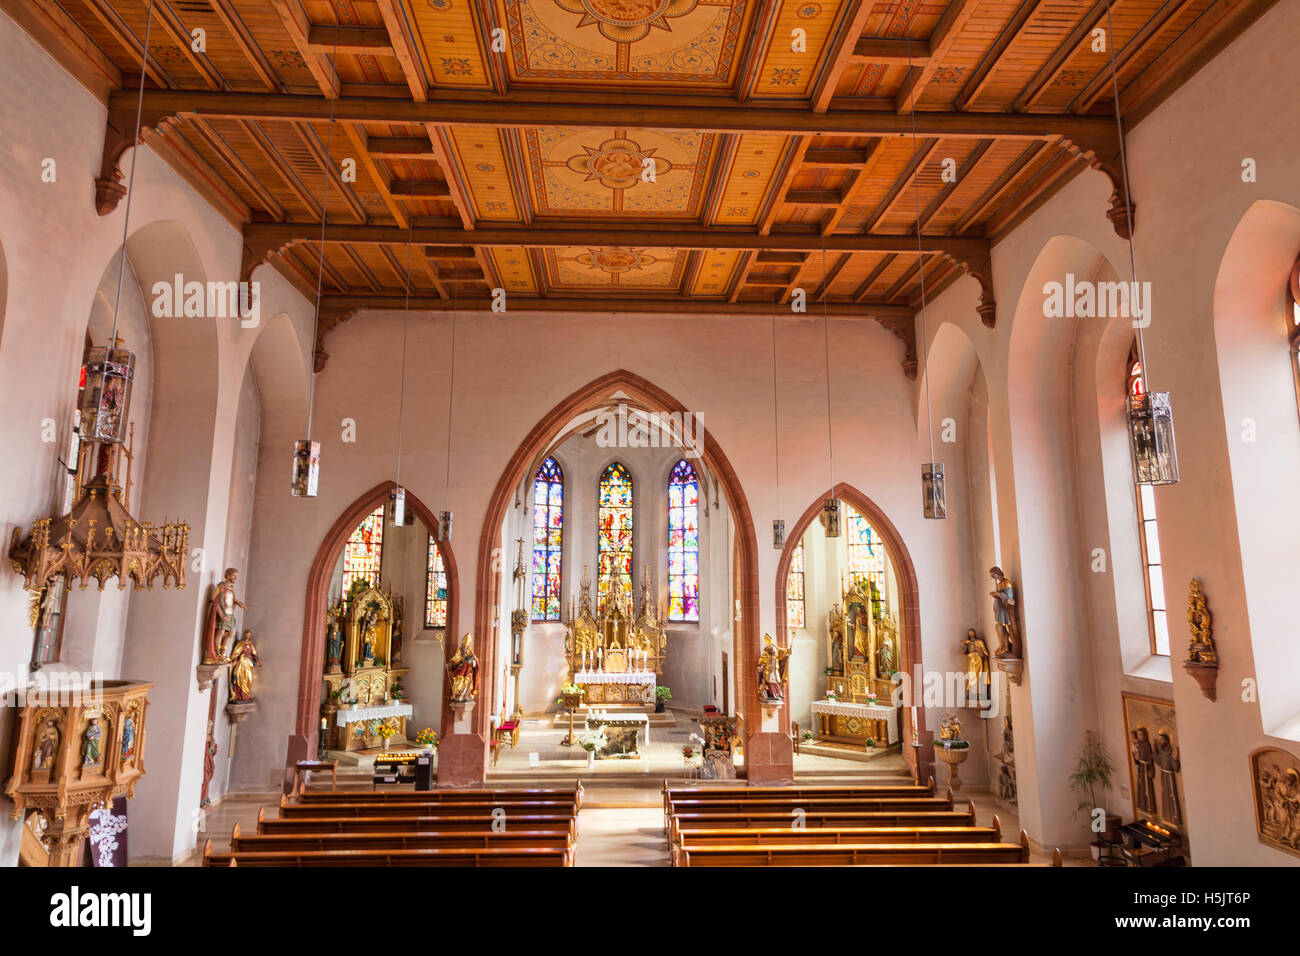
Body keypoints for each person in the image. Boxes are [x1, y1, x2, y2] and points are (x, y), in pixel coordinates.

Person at [202, 567, 245, 664]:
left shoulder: (231, 588)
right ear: (228, 575)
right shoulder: (221, 586)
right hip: (223, 613)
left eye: (236, 576)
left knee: (231, 633)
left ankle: (222, 653)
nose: (235, 578)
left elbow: (233, 600)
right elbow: (215, 601)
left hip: (230, 614)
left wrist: (239, 603)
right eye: (234, 576)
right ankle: (217, 653)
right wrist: (221, 615)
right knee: (220, 633)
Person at [229, 629, 260, 702]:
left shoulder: (251, 644)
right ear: (244, 635)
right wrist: (235, 660)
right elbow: (236, 653)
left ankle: (246, 695)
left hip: (249, 664)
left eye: (249, 635)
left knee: (248, 679)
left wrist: (257, 661)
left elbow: (254, 654)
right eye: (246, 634)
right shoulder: (240, 643)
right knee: (239, 678)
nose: (247, 636)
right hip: (241, 663)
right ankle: (238, 695)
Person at [448, 633, 479, 702]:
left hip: (467, 672)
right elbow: (456, 659)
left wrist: (472, 661)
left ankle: (464, 696)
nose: (465, 647)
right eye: (464, 645)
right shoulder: (459, 651)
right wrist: (459, 661)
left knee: (466, 683)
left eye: (466, 646)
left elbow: (475, 660)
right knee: (458, 684)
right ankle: (457, 696)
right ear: (462, 644)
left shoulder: (470, 651)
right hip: (459, 671)